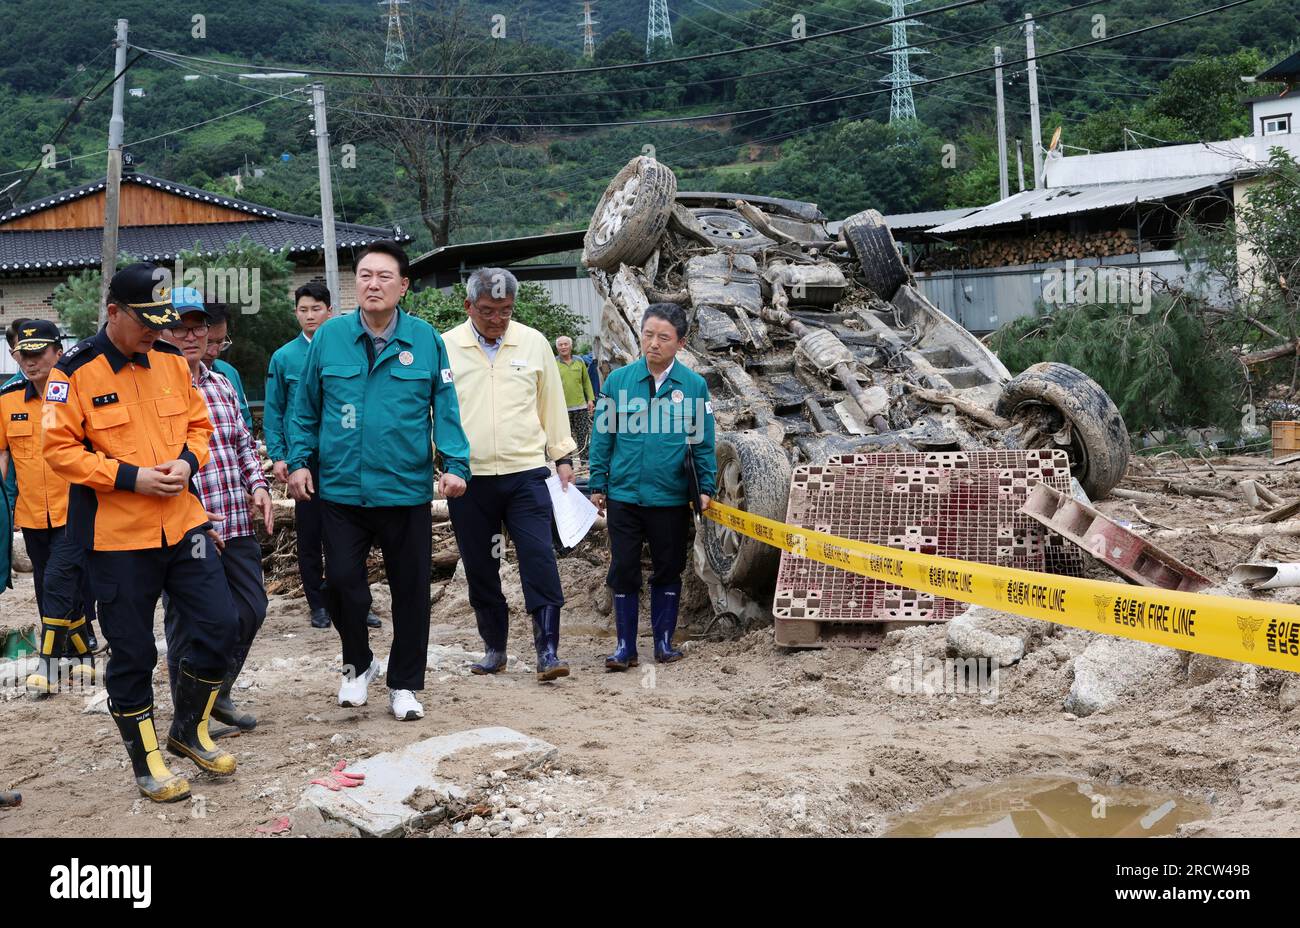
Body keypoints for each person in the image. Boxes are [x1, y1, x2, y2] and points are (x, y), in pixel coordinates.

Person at [42, 267, 240, 803]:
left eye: (163, 322)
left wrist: (186, 463)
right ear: (113, 314)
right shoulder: (74, 372)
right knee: (132, 652)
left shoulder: (174, 362)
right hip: (115, 538)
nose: (158, 333)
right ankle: (146, 759)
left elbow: (199, 427)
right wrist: (130, 477)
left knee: (222, 623)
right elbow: (59, 452)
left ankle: (188, 729)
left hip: (185, 524)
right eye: (146, 322)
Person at [286, 241, 471, 721]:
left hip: (404, 490)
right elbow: (305, 407)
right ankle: (358, 664)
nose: (372, 283)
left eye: (384, 276)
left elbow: (445, 409)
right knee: (344, 583)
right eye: (365, 275)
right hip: (342, 490)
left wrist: (455, 464)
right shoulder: (330, 337)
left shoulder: (426, 340)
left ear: (403, 286)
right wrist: (299, 460)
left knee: (411, 591)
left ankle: (405, 685)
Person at [444, 267, 577, 683]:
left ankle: (548, 650)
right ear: (468, 306)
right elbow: (436, 410)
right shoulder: (445, 346)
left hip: (525, 473)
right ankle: (494, 648)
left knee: (539, 559)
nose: (497, 319)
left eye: (505, 310)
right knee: (481, 566)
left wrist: (562, 455)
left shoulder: (534, 342)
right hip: (470, 478)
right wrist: (444, 461)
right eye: (487, 311)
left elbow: (551, 403)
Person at [159, 304, 273, 733]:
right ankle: (190, 716)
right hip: (188, 525)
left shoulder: (222, 383)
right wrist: (186, 510)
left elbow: (243, 442)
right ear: (164, 334)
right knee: (188, 621)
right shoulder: (156, 390)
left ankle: (218, 690)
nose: (191, 336)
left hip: (234, 517)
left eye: (198, 329)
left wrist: (258, 486)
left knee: (251, 608)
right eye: (180, 329)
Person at [588, 303, 717, 669]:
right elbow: (603, 434)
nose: (653, 343)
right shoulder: (618, 382)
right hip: (625, 496)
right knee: (624, 567)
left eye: (663, 337)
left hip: (671, 498)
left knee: (667, 567)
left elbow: (702, 442)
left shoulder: (693, 386)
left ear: (681, 343)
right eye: (648, 335)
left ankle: (663, 643)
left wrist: (705, 487)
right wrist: (598, 479)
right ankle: (625, 648)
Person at [0, 320, 98, 696]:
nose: (32, 361)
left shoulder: (78, 394)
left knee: (58, 579)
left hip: (76, 509)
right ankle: (82, 650)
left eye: (40, 352)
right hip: (32, 514)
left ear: (58, 352)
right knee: (48, 587)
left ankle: (47, 662)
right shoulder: (8, 400)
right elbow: (3, 452)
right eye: (25, 354)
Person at [265, 283, 334, 629]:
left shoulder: (343, 350)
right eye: (304, 310)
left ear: (329, 311)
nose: (310, 316)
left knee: (350, 534)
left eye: (317, 309)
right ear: (296, 313)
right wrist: (280, 456)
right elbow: (274, 411)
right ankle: (317, 604)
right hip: (304, 460)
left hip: (343, 458)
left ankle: (352, 599)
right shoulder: (284, 357)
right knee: (310, 534)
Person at [203, 306, 252, 431]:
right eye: (208, 342)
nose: (213, 352)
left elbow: (246, 422)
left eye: (220, 342)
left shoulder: (229, 372)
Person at [555, 335, 595, 462]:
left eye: (566, 344)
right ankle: (567, 464)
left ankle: (585, 463)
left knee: (583, 436)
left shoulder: (579, 361)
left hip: (580, 406)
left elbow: (586, 381)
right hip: (562, 408)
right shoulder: (553, 363)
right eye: (560, 345)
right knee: (565, 438)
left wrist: (590, 399)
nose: (563, 347)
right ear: (557, 348)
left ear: (571, 346)